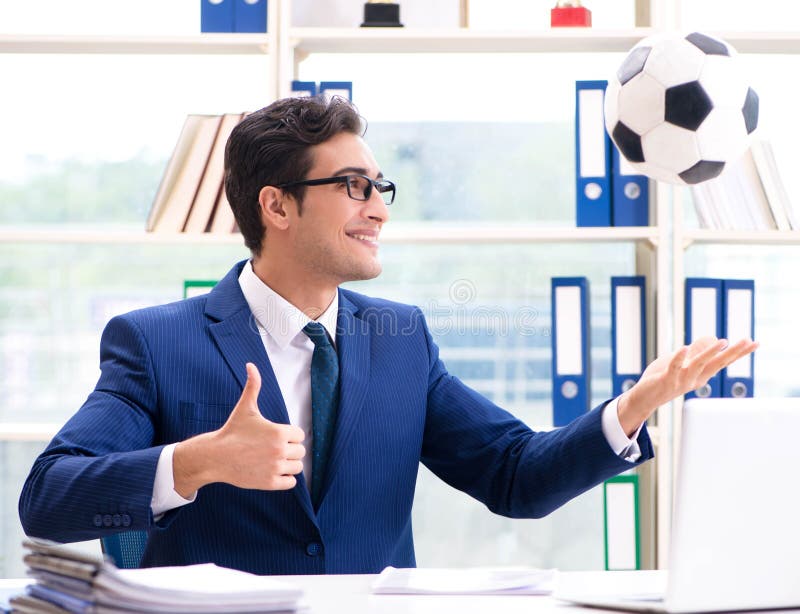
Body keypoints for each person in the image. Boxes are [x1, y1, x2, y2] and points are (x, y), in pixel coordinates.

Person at [19, 96, 757, 575]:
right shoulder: (154, 343)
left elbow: (514, 476)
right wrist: (193, 463)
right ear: (276, 206)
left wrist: (632, 408)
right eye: (353, 187)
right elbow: (47, 499)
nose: (378, 210)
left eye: (381, 188)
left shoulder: (401, 338)